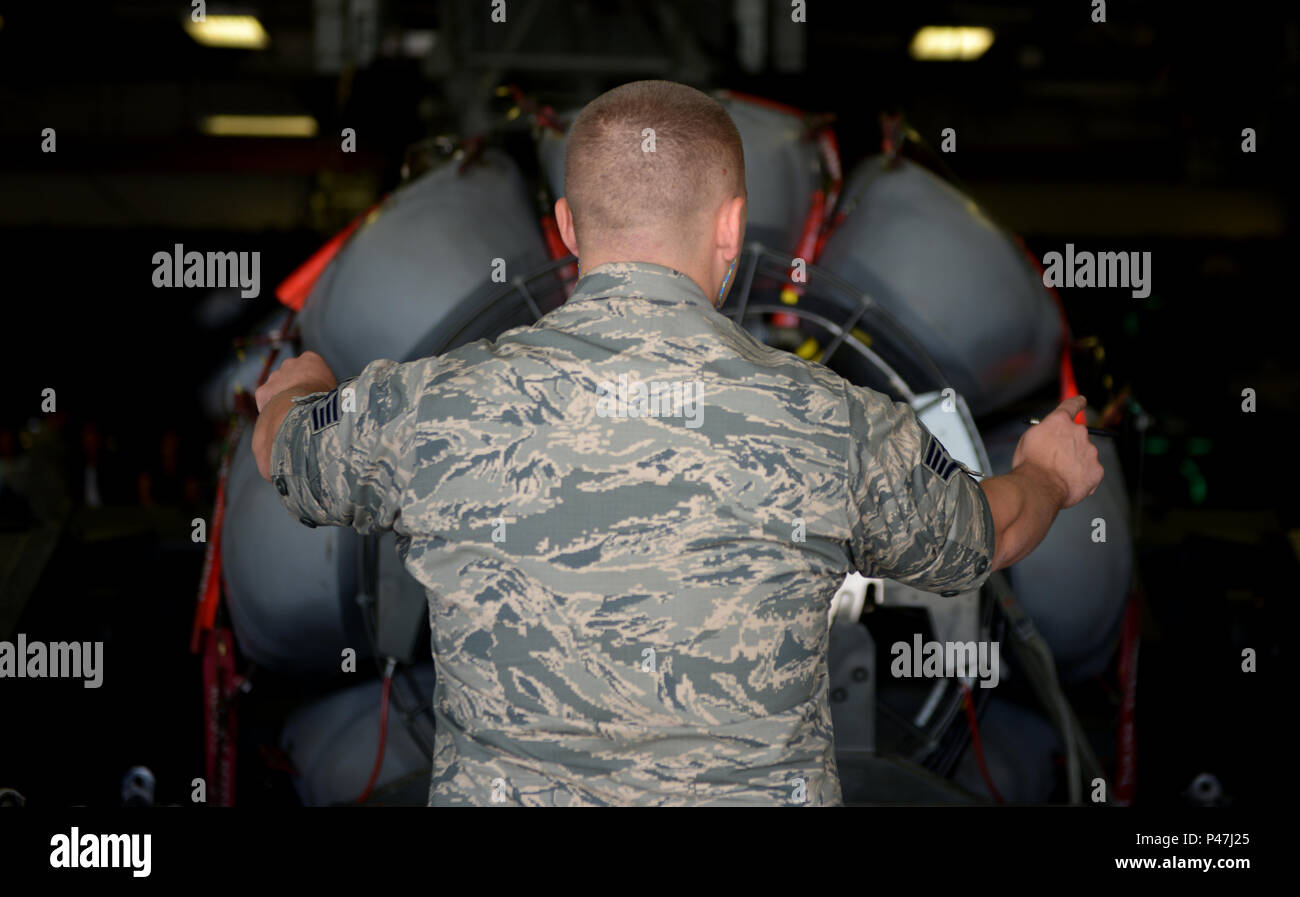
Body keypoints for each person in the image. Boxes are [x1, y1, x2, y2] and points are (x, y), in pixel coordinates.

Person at [252, 80, 1103, 806]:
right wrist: (1045, 473)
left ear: (568, 227)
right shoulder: (835, 421)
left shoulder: (428, 409)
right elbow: (989, 537)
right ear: (732, 227)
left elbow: (284, 455)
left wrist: (297, 388)